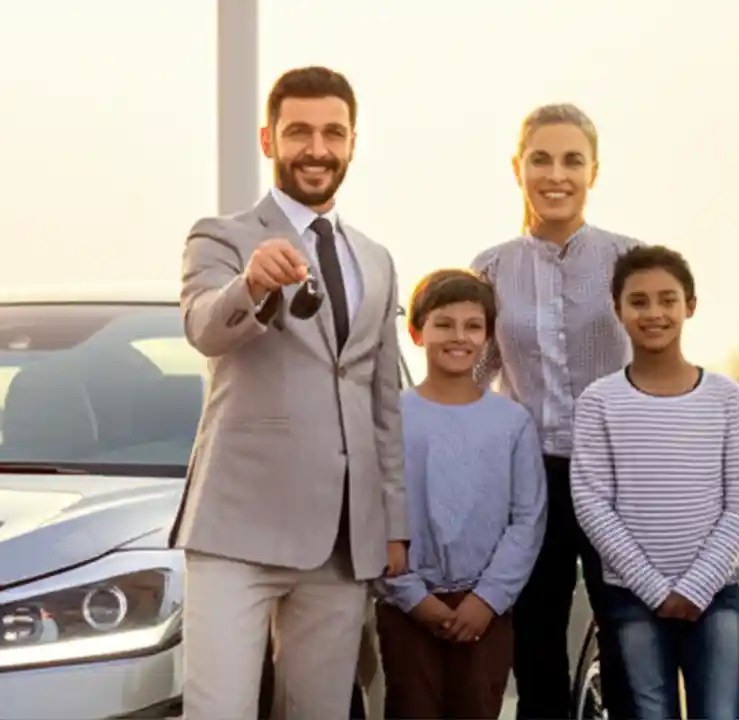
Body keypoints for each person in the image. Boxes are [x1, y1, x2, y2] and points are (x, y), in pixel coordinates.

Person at [174, 65, 407, 720]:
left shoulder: (376, 258)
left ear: (353, 142)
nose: (317, 148)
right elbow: (203, 329)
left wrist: (394, 521)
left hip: (341, 539)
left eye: (333, 133)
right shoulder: (219, 237)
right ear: (268, 139)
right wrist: (249, 286)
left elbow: (382, 398)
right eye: (299, 131)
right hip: (235, 531)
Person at [470, 102, 639, 719]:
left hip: (617, 473)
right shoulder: (491, 268)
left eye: (573, 160)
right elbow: (472, 378)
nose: (556, 174)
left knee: (628, 632)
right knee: (536, 641)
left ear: (594, 170)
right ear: (518, 168)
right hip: (529, 480)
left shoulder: (631, 259)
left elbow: (659, 367)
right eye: (541, 159)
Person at [570, 245, 739, 719]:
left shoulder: (725, 397)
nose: (653, 313)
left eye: (667, 299)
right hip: (632, 599)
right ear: (618, 311)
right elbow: (592, 503)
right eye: (638, 301)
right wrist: (655, 589)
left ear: (689, 306)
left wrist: (696, 586)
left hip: (714, 596)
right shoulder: (600, 401)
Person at [376, 269, 547, 719]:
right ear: (416, 332)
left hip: (485, 612)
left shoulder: (512, 423)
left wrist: (488, 598)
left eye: (473, 326)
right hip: (406, 609)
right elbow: (375, 513)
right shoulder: (390, 418)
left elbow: (527, 521)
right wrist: (413, 597)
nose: (459, 337)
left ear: (488, 337)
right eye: (443, 324)